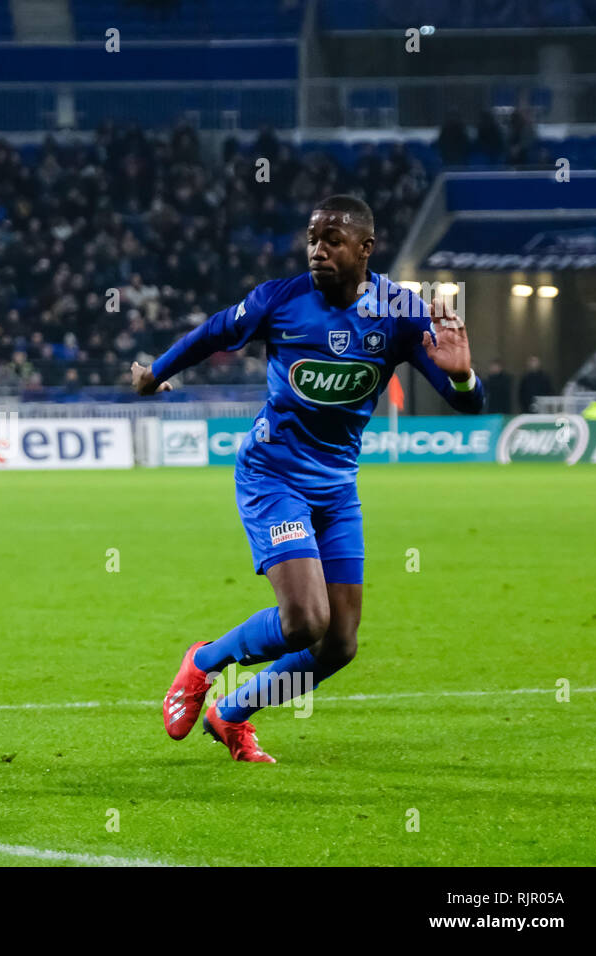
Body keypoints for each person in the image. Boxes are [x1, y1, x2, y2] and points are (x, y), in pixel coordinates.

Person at [133, 195, 483, 763]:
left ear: (366, 248)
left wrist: (463, 377)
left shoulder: (399, 312)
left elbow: (465, 402)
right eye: (313, 238)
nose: (318, 250)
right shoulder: (281, 298)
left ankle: (232, 712)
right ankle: (203, 662)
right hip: (273, 476)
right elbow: (213, 334)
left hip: (337, 489)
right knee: (305, 623)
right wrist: (153, 375)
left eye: (333, 240)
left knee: (340, 644)